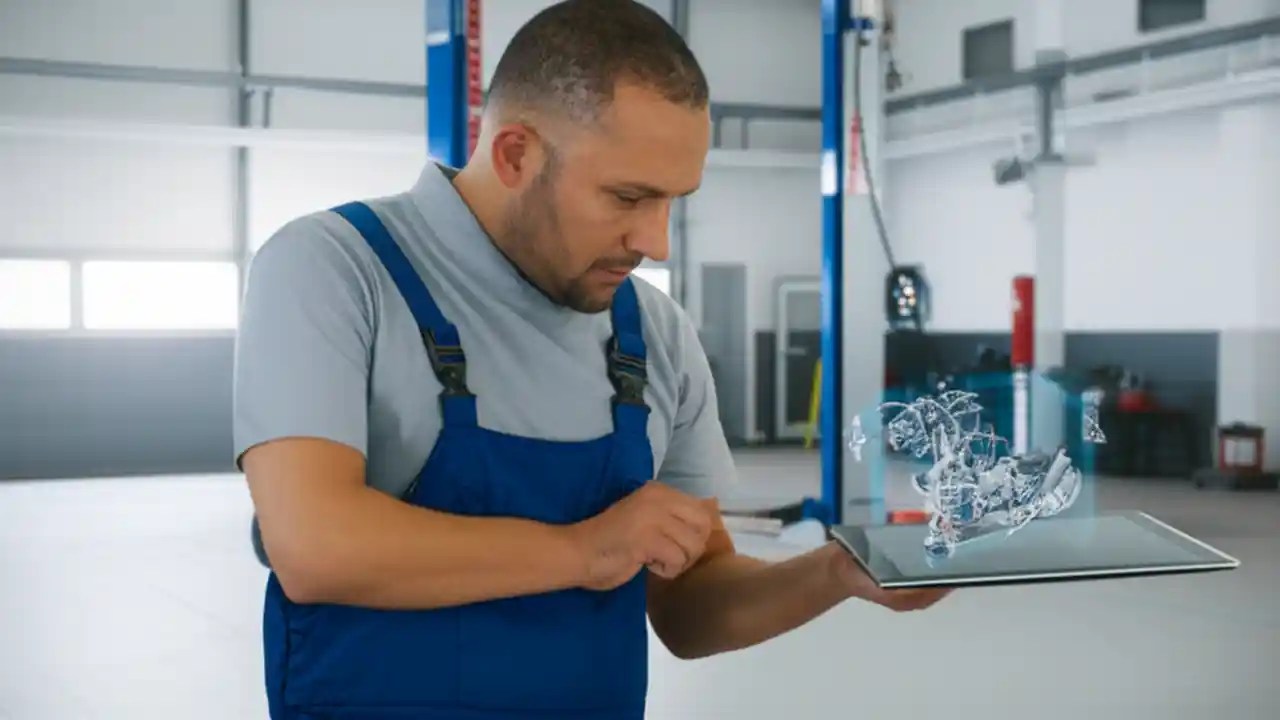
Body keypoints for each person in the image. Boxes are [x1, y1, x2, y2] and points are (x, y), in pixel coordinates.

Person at [234, 1, 949, 718]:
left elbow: (690, 606)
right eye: (628, 196)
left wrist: (835, 573)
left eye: (674, 201)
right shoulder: (335, 270)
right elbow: (315, 546)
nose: (657, 241)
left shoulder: (654, 334)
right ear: (515, 153)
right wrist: (585, 551)